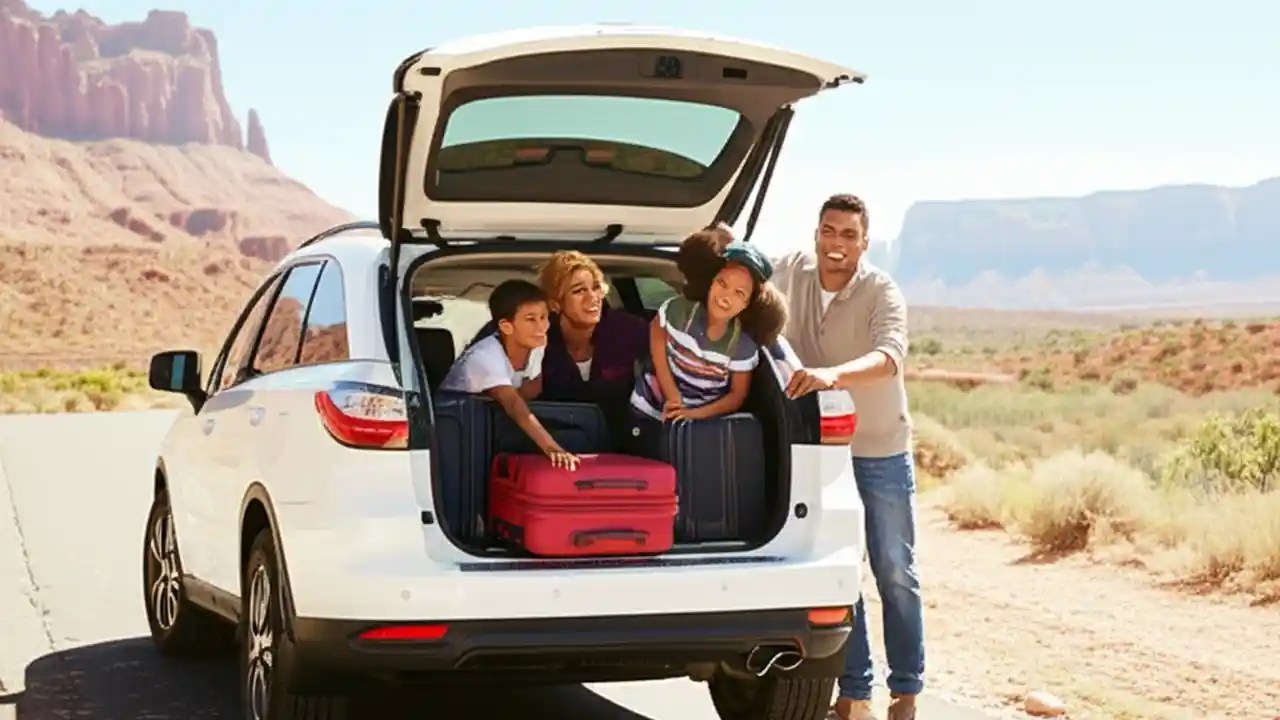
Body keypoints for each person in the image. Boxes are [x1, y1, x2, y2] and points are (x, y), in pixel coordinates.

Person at [771, 194, 923, 720]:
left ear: (865, 242)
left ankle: (906, 690)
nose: (837, 244)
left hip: (881, 450)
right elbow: (742, 275)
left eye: (849, 235)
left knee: (895, 571)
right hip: (822, 455)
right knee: (839, 572)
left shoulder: (881, 290)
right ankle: (854, 692)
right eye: (829, 231)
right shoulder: (792, 271)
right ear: (817, 233)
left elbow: (890, 356)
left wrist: (832, 375)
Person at [630, 225, 787, 422]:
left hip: (697, 423)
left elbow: (737, 396)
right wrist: (672, 395)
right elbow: (657, 330)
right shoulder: (680, 309)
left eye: (739, 293)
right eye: (722, 283)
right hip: (647, 405)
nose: (726, 296)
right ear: (710, 281)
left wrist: (691, 415)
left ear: (748, 303)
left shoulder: (742, 345)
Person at [439, 279, 580, 470]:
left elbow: (532, 390)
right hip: (458, 432)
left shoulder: (537, 344)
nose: (541, 327)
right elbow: (513, 404)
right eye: (531, 319)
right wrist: (552, 448)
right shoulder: (484, 357)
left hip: (495, 429)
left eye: (544, 317)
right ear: (506, 326)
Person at [533, 250, 649, 445]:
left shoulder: (629, 330)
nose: (592, 298)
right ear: (555, 304)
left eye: (596, 288)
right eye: (579, 291)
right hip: (554, 448)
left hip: (623, 448)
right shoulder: (535, 337)